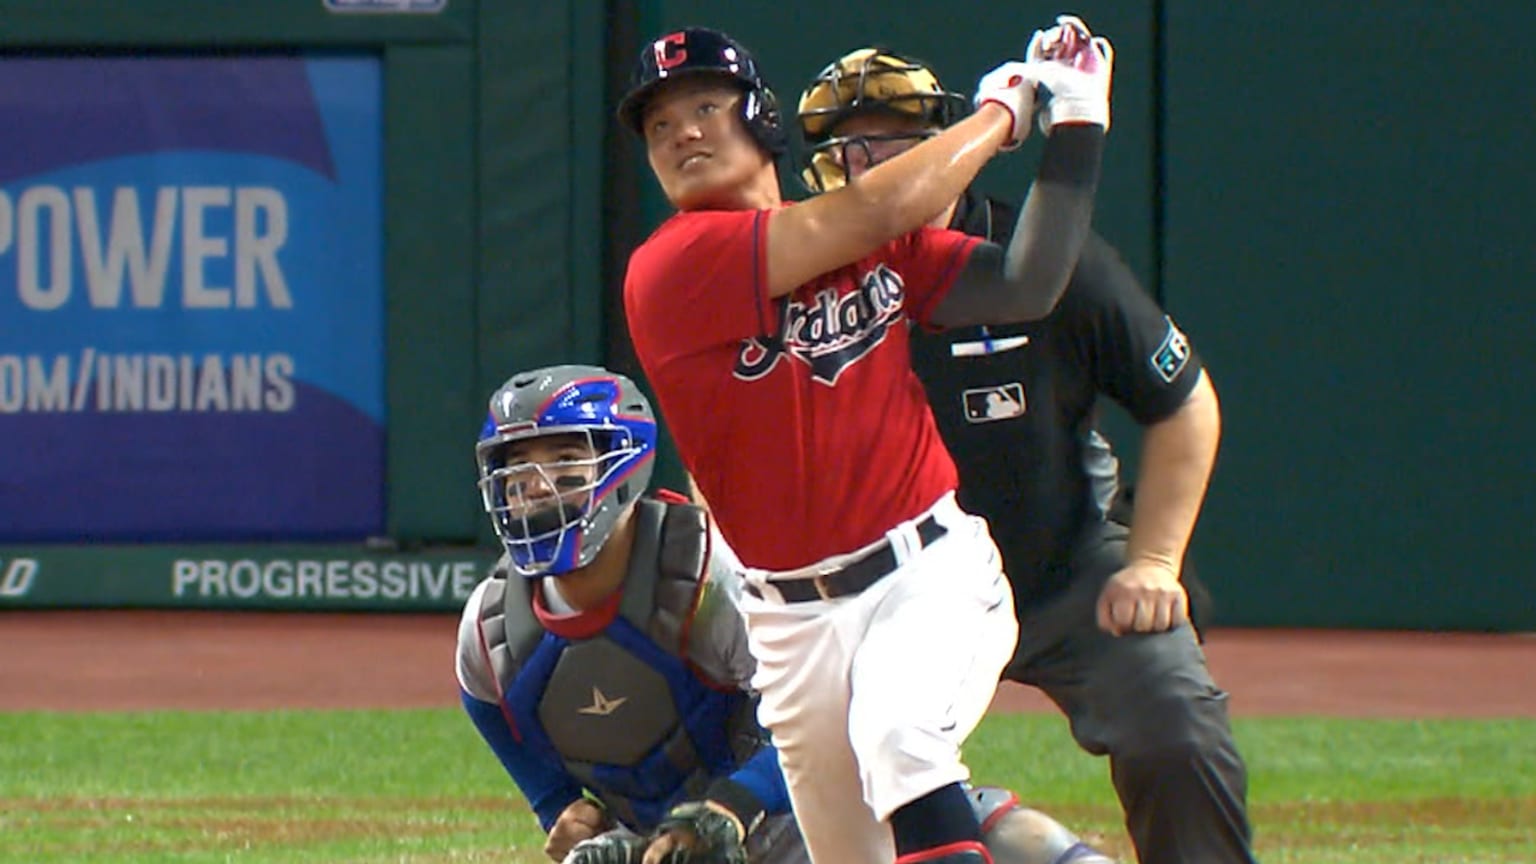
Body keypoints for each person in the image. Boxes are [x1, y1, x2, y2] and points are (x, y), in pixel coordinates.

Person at [618, 18, 1114, 864]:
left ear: (762, 119)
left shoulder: (860, 241)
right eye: (660, 125)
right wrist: (1001, 115)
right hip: (788, 626)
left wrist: (1078, 123)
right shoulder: (672, 266)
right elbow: (883, 202)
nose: (683, 134)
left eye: (705, 105)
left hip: (924, 570)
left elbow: (1027, 284)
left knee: (903, 741)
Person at [793, 38, 1258, 864]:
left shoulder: (1039, 256)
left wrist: (1152, 562)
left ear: (955, 142)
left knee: (1175, 725)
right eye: (851, 149)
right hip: (880, 589)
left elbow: (1184, 403)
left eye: (900, 139)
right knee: (784, 769)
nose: (878, 166)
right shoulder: (805, 284)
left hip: (1059, 570)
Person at [455, 364, 1115, 864]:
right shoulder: (492, 625)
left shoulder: (708, 575)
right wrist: (557, 805)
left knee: (912, 813)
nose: (536, 494)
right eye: (517, 475)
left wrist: (732, 807)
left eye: (566, 465)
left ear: (624, 464)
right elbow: (484, 702)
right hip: (665, 841)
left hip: (788, 814)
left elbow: (818, 716)